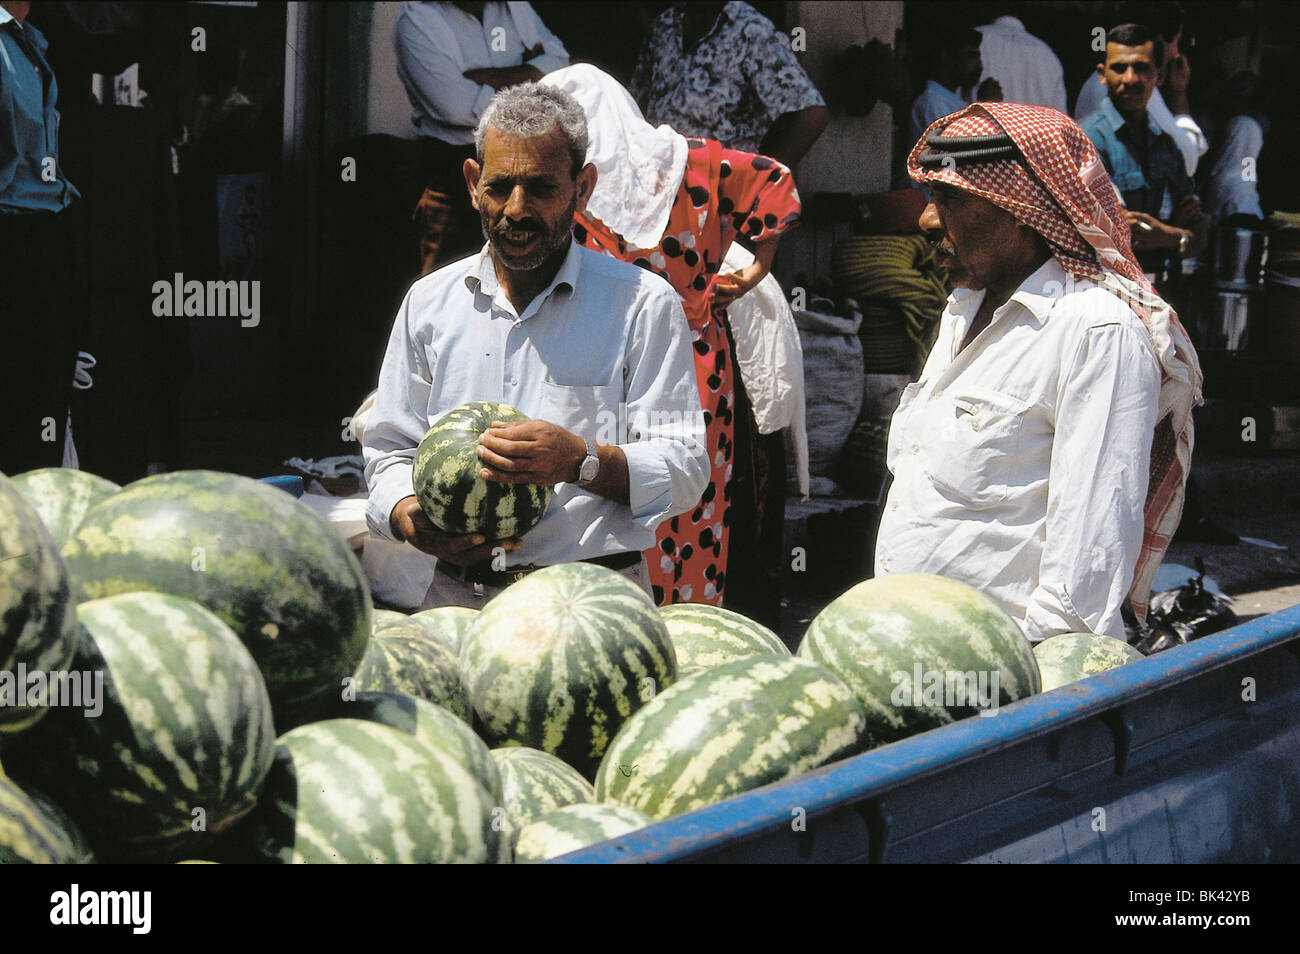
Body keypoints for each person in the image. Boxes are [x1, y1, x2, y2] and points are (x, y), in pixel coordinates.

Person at [362, 82, 709, 609]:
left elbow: (684, 469)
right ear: (473, 183)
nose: (516, 210)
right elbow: (389, 448)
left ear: (583, 186)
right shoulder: (428, 303)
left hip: (593, 603)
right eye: (500, 187)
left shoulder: (641, 304)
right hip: (458, 600)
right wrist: (408, 516)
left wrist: (580, 461)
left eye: (542, 188)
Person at [875, 102, 1202, 643]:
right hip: (908, 648)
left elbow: (1086, 574)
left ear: (1023, 207)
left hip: (1005, 679)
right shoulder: (964, 309)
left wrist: (1039, 701)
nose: (927, 219)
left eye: (950, 198)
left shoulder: (1096, 331)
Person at [540, 64, 802, 614]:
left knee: (614, 493)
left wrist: (751, 278)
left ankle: (622, 625)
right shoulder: (698, 163)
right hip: (696, 364)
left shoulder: (571, 182)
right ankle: (691, 625)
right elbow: (775, 182)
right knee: (690, 501)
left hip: (608, 365)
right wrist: (753, 272)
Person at [392, 1, 569, 274]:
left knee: (521, 283)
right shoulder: (417, 19)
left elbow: (560, 65)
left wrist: (490, 79)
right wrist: (530, 75)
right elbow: (455, 107)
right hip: (452, 177)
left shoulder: (513, 7)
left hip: (521, 165)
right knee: (447, 290)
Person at [1, 0, 82, 474]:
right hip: (13, 229)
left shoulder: (28, 37)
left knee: (40, 391)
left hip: (41, 227)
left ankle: (30, 526)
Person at [628, 1, 828, 171]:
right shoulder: (665, 26)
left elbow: (812, 116)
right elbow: (634, 106)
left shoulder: (751, 31)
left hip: (719, 193)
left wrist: (763, 182)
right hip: (661, 187)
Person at [1080, 23, 1207, 284]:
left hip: (1163, 289)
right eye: (1119, 68)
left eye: (1141, 68)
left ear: (1159, 76)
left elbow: (1200, 230)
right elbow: (1121, 235)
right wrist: (1176, 233)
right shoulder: (1086, 140)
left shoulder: (1166, 146)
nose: (1130, 79)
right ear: (1103, 75)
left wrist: (1169, 235)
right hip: (1108, 291)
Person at [1074, 14, 1207, 179]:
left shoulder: (1097, 82)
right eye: (1176, 42)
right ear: (1160, 43)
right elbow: (1186, 161)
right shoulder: (1136, 89)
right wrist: (1179, 96)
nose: (1176, 53)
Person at [970, 8, 1066, 113]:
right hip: (1033, 128)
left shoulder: (974, 40)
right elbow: (1060, 116)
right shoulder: (1047, 54)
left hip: (979, 126)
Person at [909, 29, 985, 149]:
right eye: (971, 56)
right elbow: (954, 155)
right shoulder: (932, 101)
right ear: (947, 58)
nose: (979, 65)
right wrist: (986, 108)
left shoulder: (948, 100)